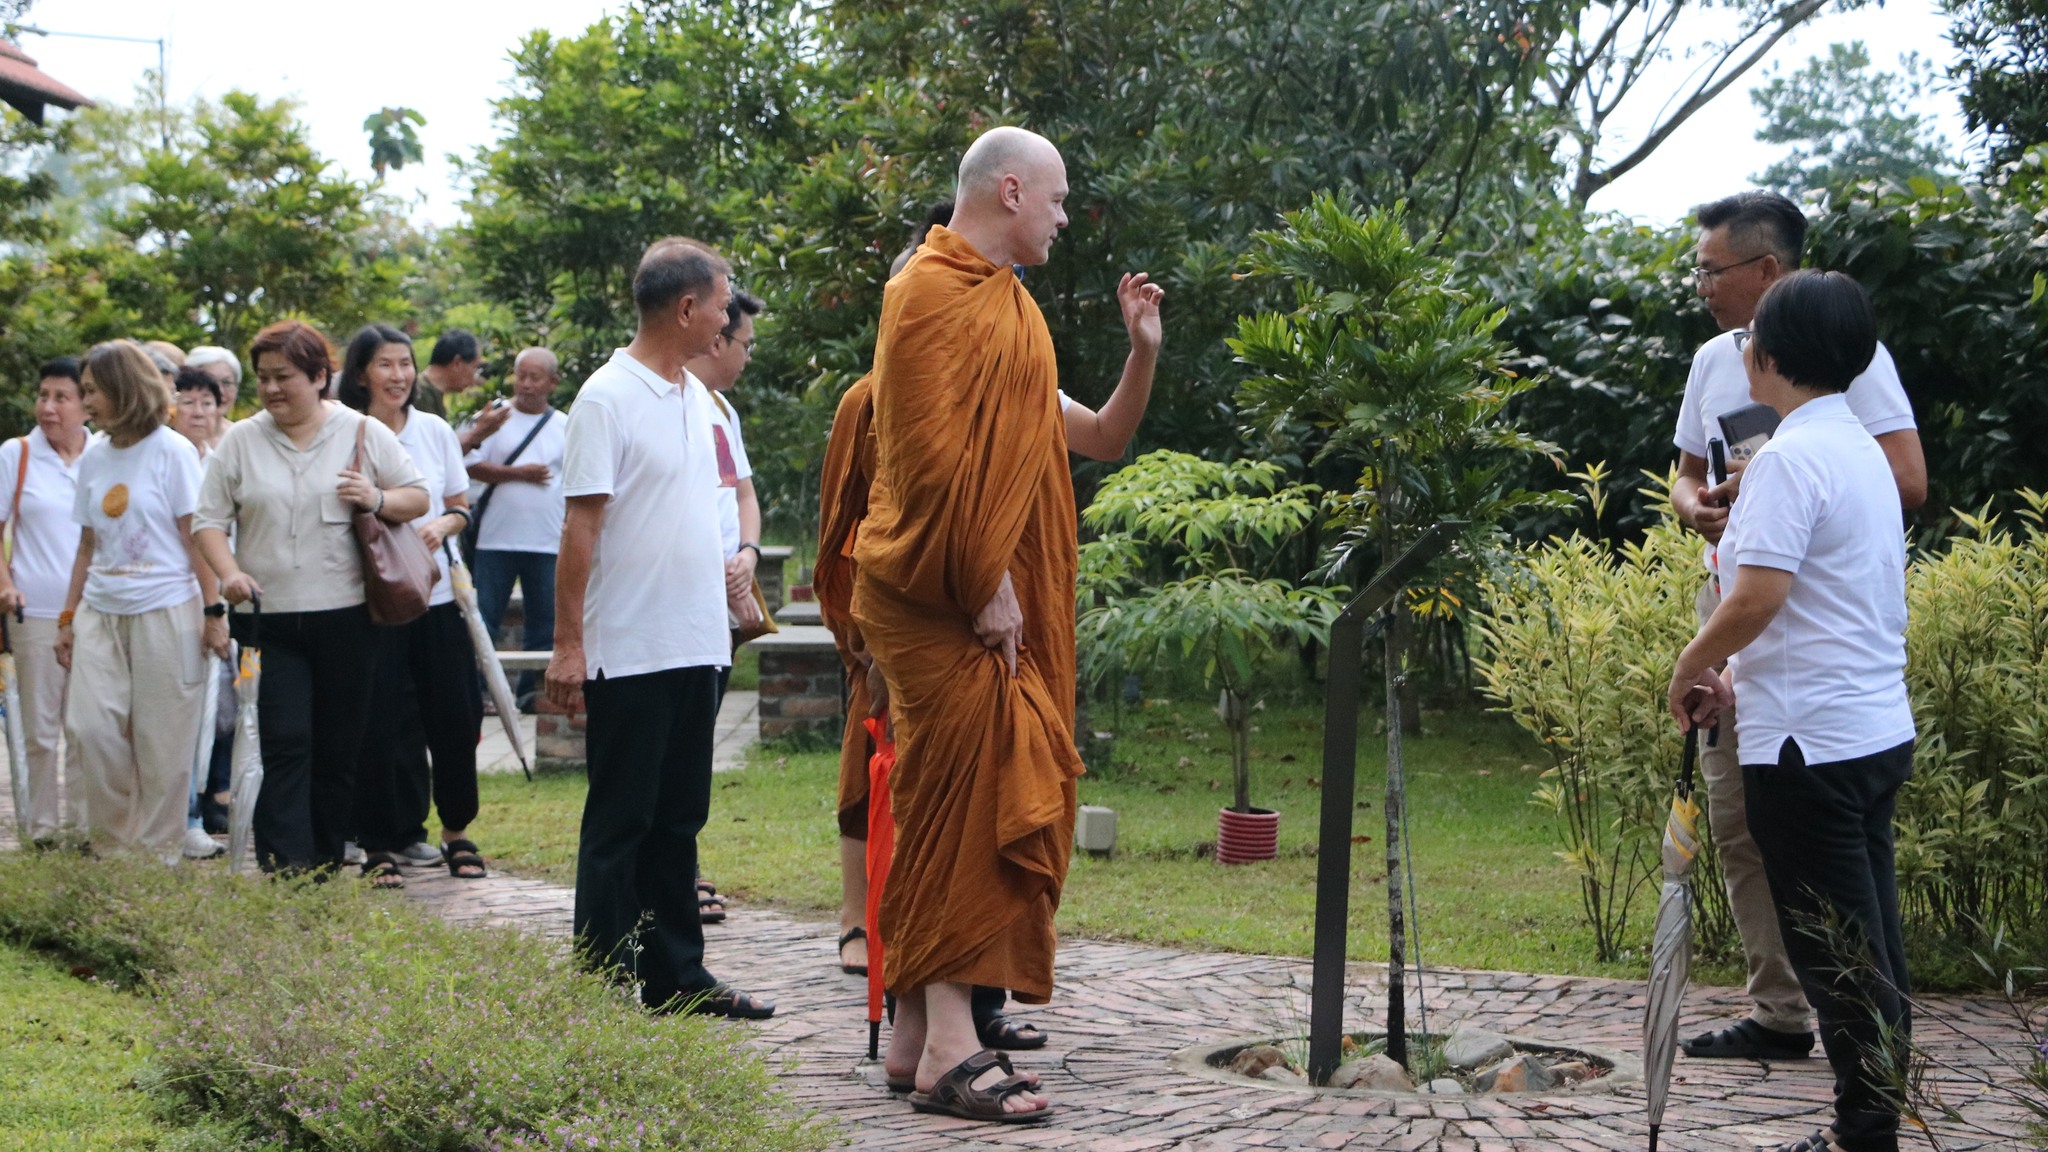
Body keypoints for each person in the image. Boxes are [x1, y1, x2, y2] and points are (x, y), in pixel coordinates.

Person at [851, 126, 1163, 1121]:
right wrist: (983, 580)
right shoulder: (926, 295)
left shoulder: (1009, 310)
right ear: (1013, 191)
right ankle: (949, 1046)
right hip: (938, 595)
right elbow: (924, 462)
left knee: (952, 800)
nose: (1066, 219)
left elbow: (1103, 437)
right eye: (1061, 201)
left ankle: (911, 1033)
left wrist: (1140, 354)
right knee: (968, 808)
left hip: (975, 596)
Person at [1669, 191, 1926, 1062]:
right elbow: (1696, 490)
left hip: (1810, 717)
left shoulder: (1807, 446)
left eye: (1711, 268)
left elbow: (1762, 597)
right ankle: (1815, 1039)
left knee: (1840, 929)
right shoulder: (1828, 439)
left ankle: (1866, 1117)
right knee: (1852, 914)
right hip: (1841, 699)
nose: (1701, 285)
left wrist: (1693, 664)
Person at [545, 237, 774, 1020]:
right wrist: (569, 646)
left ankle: (676, 975)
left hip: (699, 643)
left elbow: (717, 503)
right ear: (686, 309)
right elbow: (580, 531)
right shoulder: (606, 398)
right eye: (721, 302)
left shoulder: (698, 398)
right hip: (631, 650)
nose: (726, 315)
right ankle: (601, 983)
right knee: (621, 822)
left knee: (679, 820)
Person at [194, 321, 427, 875]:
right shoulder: (241, 440)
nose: (272, 389)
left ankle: (323, 860)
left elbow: (416, 497)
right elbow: (207, 521)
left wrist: (374, 497)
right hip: (267, 619)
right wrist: (228, 571)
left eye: (285, 377)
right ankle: (287, 865)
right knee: (285, 740)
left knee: (338, 745)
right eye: (263, 379)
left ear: (319, 377)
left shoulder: (362, 432)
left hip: (348, 617)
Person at [53, 340, 225, 864]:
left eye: (91, 391)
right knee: (89, 729)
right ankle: (113, 851)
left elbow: (197, 537)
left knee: (162, 749)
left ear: (123, 388)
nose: (85, 403)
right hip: (100, 613)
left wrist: (214, 612)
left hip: (168, 612)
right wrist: (66, 617)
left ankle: (155, 862)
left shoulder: (173, 451)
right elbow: (87, 543)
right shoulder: (95, 456)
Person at [336, 325, 488, 886]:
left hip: (437, 595)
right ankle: (381, 836)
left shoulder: (435, 429)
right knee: (379, 718)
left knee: (455, 712)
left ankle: (455, 829)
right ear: (360, 374)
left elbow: (458, 505)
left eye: (405, 364)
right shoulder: (345, 431)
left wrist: (439, 526)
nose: (398, 376)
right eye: (385, 365)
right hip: (372, 597)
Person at [681, 289, 765, 926]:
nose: (746, 355)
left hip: (722, 603)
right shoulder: (665, 398)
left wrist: (749, 553)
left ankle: (684, 863)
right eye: (745, 343)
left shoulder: (721, 409)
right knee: (673, 745)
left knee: (695, 740)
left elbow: (742, 495)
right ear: (717, 338)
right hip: (673, 607)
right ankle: (674, 872)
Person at [0, 357, 91, 846]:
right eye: (43, 395)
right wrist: (5, 583)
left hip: (94, 612)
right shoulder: (16, 454)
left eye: (62, 397)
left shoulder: (104, 455)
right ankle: (42, 829)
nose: (48, 407)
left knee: (87, 725)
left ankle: (81, 827)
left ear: (86, 405)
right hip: (34, 611)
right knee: (40, 729)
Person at [466, 346, 566, 706]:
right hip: (495, 540)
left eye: (535, 377)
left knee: (544, 622)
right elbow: (466, 463)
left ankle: (531, 693)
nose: (525, 384)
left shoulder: (565, 426)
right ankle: (479, 692)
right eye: (520, 375)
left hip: (548, 541)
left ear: (553, 382)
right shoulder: (494, 417)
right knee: (484, 620)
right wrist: (517, 474)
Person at [170, 366, 231, 858]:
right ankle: (182, 814)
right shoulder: (163, 457)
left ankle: (206, 805)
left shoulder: (225, 460)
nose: (197, 411)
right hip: (173, 599)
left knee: (217, 713)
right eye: (186, 401)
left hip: (221, 597)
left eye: (206, 403)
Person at [411, 329, 482, 420]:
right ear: (457, 363)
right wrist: (480, 431)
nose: (474, 379)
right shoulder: (418, 395)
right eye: (474, 368)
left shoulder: (430, 393)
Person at [185, 346, 243, 443]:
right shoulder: (173, 438)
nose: (220, 391)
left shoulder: (243, 438)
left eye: (226, 383)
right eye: (211, 382)